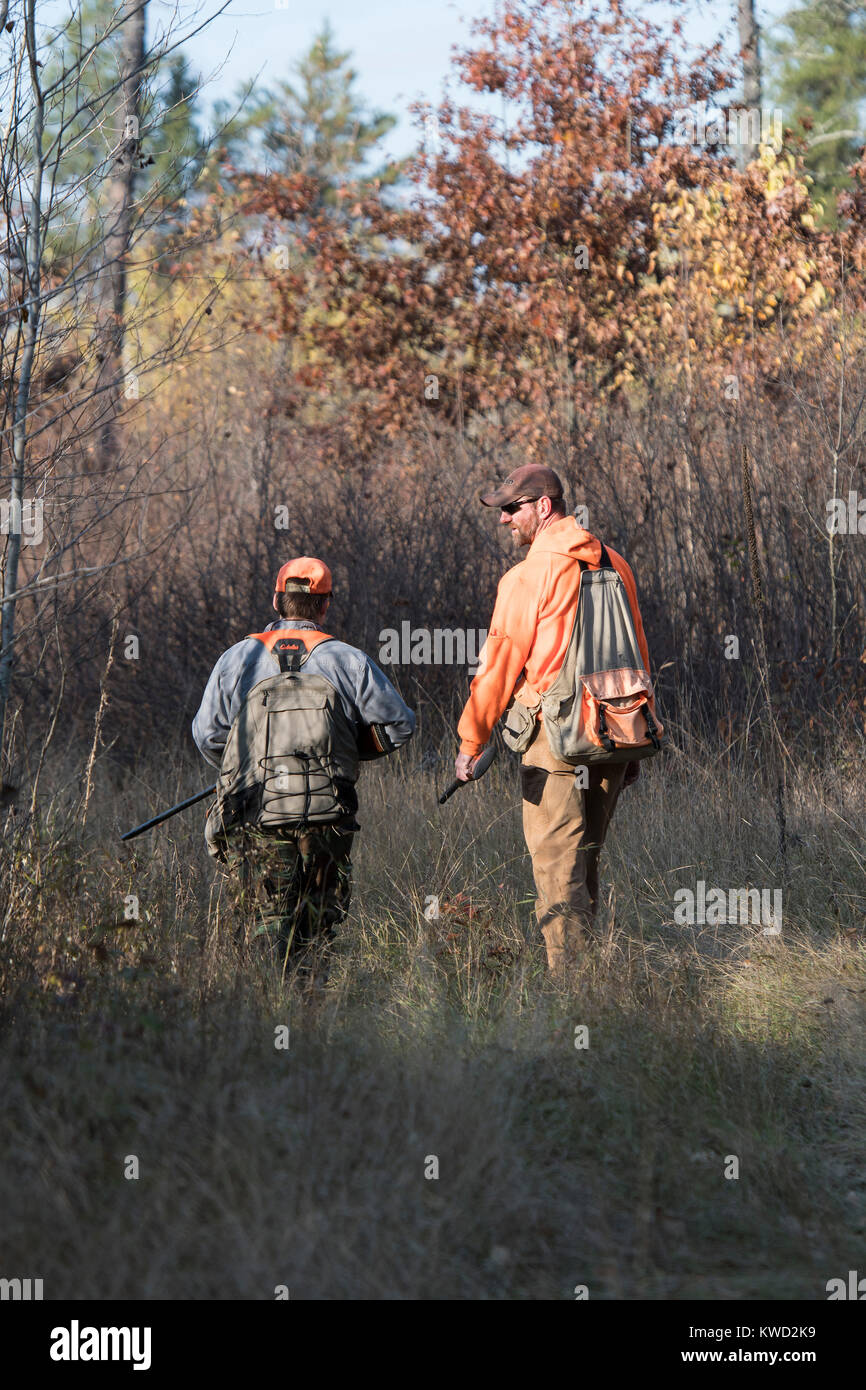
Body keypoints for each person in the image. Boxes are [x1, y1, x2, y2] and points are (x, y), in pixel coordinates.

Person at [454, 466, 653, 976]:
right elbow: (638, 656)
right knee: (585, 858)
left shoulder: (529, 574)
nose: (503, 519)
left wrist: (472, 737)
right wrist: (634, 740)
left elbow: (499, 663)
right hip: (615, 730)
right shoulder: (616, 563)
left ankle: (571, 994)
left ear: (544, 506)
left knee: (556, 863)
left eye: (511, 507)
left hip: (555, 742)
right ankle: (593, 979)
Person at [193, 557, 415, 989]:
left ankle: (268, 1015)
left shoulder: (236, 659)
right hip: (327, 815)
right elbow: (399, 726)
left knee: (265, 924)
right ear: (325, 606)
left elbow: (207, 735)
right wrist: (342, 752)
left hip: (255, 815)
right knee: (318, 926)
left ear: (277, 600)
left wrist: (247, 767)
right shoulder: (348, 660)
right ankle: (312, 1014)